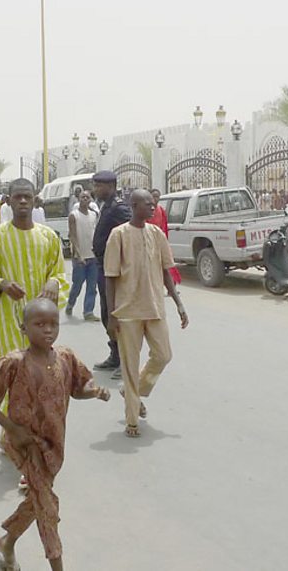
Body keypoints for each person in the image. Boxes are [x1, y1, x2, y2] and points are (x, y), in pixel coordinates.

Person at [0, 298, 111, 571]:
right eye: (39, 325)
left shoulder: (65, 358)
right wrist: (13, 429)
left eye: (53, 324)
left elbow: (78, 388)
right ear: (23, 327)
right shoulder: (13, 363)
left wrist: (95, 391)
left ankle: (7, 542)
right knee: (48, 507)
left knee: (38, 498)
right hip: (26, 446)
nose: (48, 330)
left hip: (54, 445)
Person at [0, 179, 68, 405]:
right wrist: (2, 284)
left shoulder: (48, 237)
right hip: (7, 323)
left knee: (40, 379)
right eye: (18, 197)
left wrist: (54, 282)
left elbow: (61, 274)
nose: (23, 201)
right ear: (9, 200)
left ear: (35, 200)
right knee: (11, 378)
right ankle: (12, 436)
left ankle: (36, 436)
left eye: (28, 196)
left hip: (41, 325)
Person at [104, 189, 189, 438]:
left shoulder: (157, 234)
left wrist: (178, 303)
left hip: (154, 308)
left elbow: (166, 271)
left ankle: (134, 391)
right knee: (129, 366)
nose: (153, 208)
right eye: (148, 204)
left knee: (163, 355)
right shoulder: (118, 236)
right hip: (127, 311)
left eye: (154, 204)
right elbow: (110, 277)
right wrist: (111, 315)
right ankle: (132, 419)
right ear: (134, 205)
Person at [90, 171, 132, 377]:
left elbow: (130, 236)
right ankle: (114, 355)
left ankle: (125, 362)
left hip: (114, 271)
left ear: (112, 186)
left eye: (99, 186)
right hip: (103, 268)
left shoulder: (120, 208)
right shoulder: (106, 206)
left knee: (117, 313)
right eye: (95, 185)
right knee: (107, 313)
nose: (96, 189)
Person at [65, 190, 99, 321]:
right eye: (82, 197)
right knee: (77, 285)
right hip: (79, 257)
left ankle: (88, 312)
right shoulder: (74, 215)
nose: (85, 199)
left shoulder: (93, 215)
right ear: (78, 199)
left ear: (90, 199)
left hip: (92, 256)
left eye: (87, 197)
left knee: (92, 286)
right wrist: (78, 255)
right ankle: (70, 303)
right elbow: (72, 235)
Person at [147, 188, 181, 285]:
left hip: (160, 241)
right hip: (149, 241)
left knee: (167, 263)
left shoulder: (161, 210)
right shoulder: (147, 210)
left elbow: (164, 226)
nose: (156, 199)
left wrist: (164, 240)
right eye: (154, 196)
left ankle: (171, 286)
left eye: (157, 197)